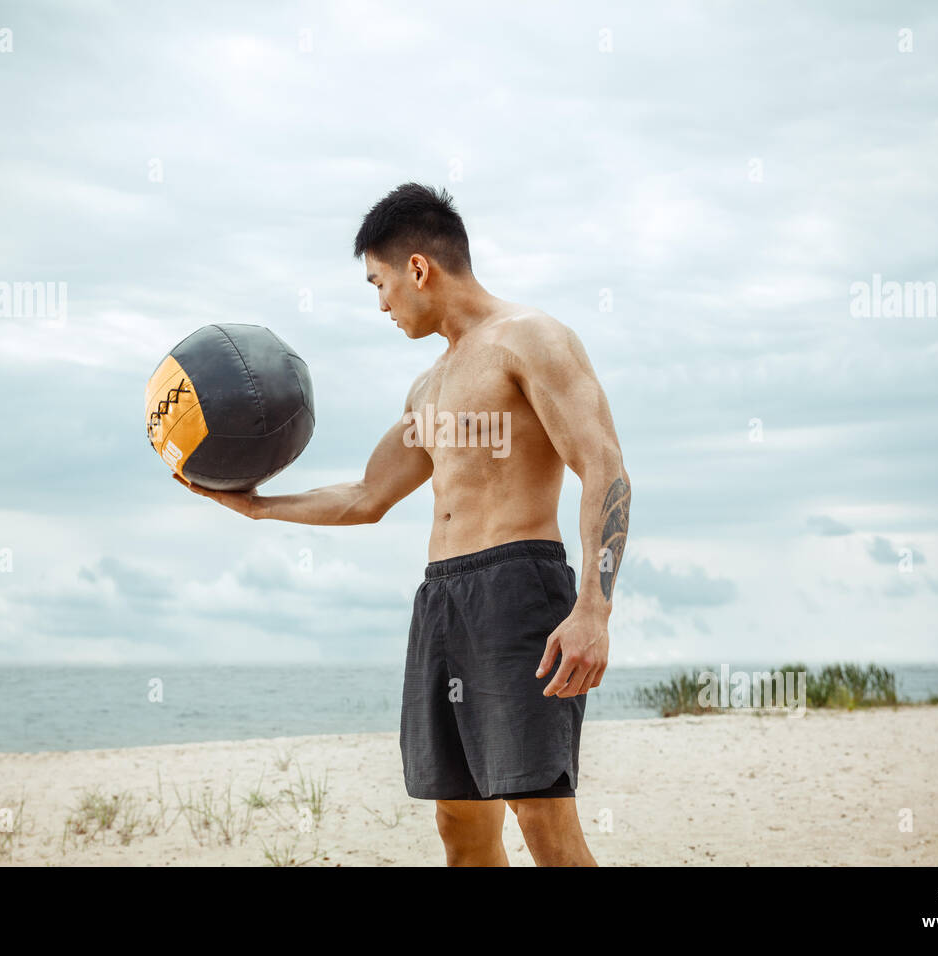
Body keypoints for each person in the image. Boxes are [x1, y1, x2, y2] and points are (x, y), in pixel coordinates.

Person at [175, 183, 630, 866]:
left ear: (418, 268)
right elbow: (366, 496)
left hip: (518, 585)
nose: (380, 303)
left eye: (379, 283)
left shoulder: (532, 339)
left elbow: (604, 467)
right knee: (459, 820)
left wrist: (594, 607)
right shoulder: (427, 387)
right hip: (442, 597)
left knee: (540, 810)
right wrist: (259, 506)